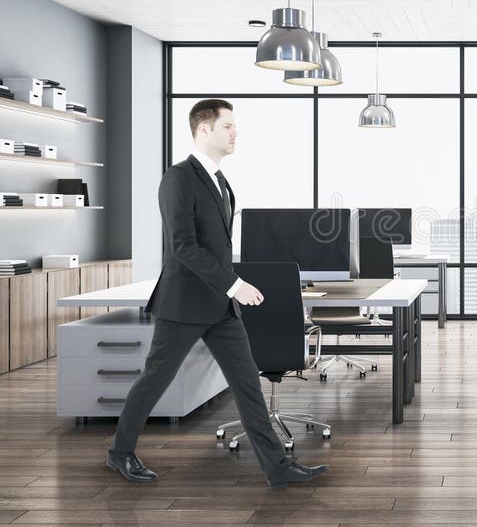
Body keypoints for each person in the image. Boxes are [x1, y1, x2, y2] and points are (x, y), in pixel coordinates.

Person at [106, 98, 328, 489]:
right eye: (228, 126)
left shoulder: (221, 181)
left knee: (246, 385)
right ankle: (120, 452)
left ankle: (276, 466)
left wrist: (229, 288)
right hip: (183, 304)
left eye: (234, 126)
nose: (235, 132)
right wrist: (234, 283)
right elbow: (183, 246)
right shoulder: (178, 178)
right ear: (203, 129)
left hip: (220, 307)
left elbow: (216, 245)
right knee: (155, 380)